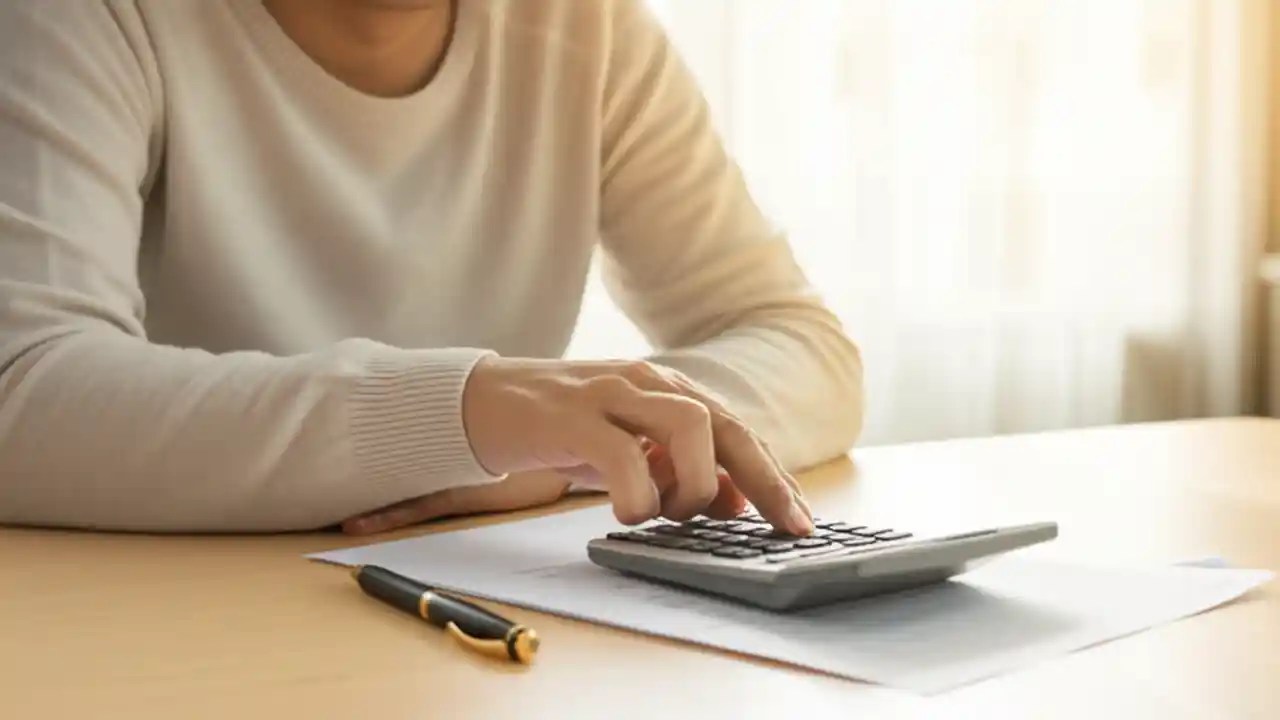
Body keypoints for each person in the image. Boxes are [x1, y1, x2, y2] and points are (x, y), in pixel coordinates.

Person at [0, 0, 862, 537]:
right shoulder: (83, 16)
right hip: (149, 625)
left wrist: (564, 450)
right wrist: (463, 421)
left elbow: (802, 346)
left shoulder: (586, 26)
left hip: (464, 625)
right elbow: (23, 390)